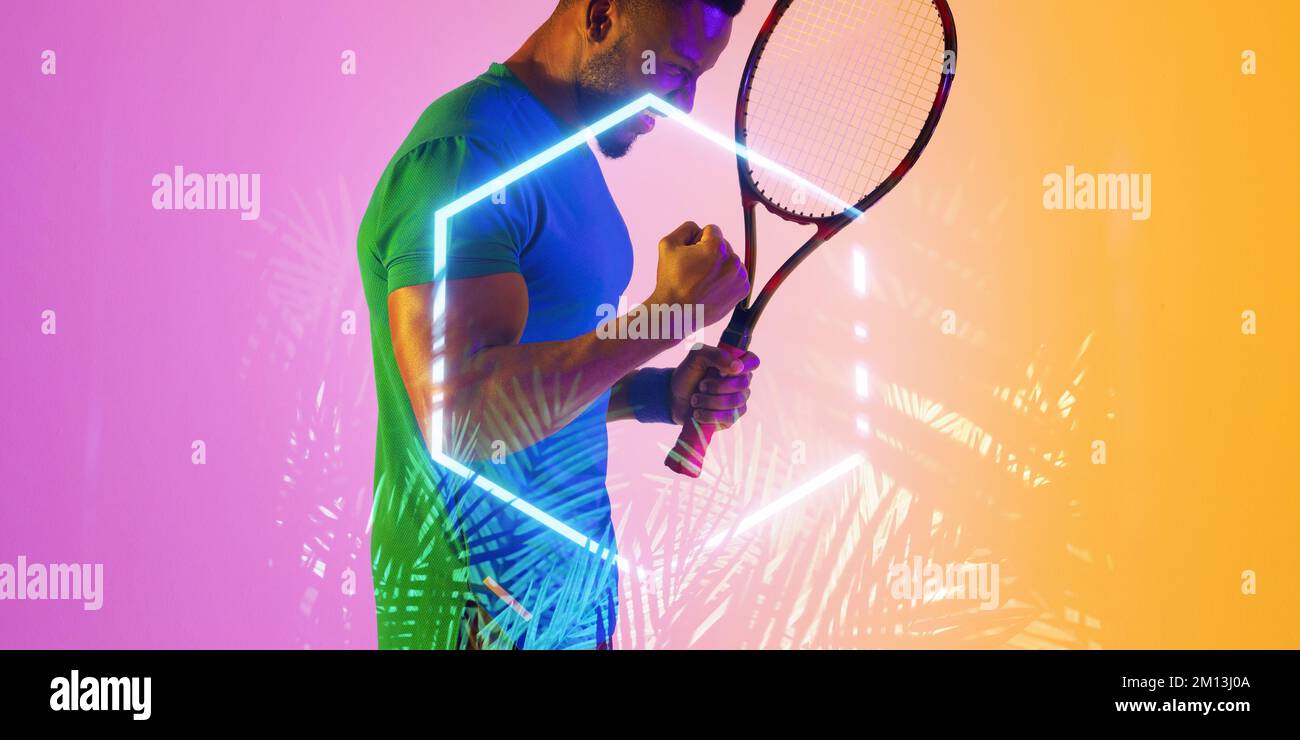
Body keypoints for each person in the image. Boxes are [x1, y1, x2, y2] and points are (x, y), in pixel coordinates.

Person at [358, 0, 756, 649]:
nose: (684, 103)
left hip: (570, 607)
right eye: (676, 69)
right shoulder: (467, 154)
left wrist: (661, 394)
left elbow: (538, 385)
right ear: (601, 16)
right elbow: (465, 417)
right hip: (478, 616)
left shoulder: (563, 156)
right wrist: (666, 316)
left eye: (697, 78)